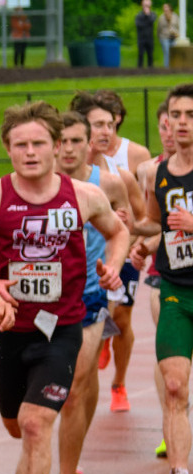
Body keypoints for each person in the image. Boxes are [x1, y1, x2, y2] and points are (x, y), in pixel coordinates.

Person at [0, 101, 129, 474]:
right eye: (21, 145)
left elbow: (118, 233)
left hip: (63, 330)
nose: (30, 152)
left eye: (39, 143)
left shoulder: (83, 196)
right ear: (8, 150)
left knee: (37, 425)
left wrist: (113, 267)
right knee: (15, 425)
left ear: (57, 147)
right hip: (9, 329)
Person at [49, 111, 130, 474]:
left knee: (75, 388)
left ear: (90, 145)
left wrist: (117, 261)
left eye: (76, 142)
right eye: (60, 141)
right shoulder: (37, 187)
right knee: (62, 393)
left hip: (90, 297)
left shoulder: (107, 184)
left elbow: (126, 223)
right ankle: (72, 442)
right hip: (44, 302)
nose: (67, 149)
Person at [129, 83, 193, 474]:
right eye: (176, 114)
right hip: (175, 289)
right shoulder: (159, 172)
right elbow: (154, 224)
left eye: (190, 113)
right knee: (174, 387)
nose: (182, 122)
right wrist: (134, 233)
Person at [75, 90, 150, 413]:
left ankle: (118, 382)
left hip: (119, 254)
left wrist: (127, 230)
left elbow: (143, 217)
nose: (105, 131)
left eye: (110, 124)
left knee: (121, 316)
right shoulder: (64, 173)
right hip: (81, 262)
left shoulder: (123, 171)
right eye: (97, 125)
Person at [139, 0, 158, 68]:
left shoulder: (152, 14)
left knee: (150, 55)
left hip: (150, 38)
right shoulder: (139, 15)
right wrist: (146, 20)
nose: (146, 7)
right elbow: (139, 25)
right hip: (141, 38)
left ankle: (150, 70)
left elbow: (152, 21)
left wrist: (147, 15)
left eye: (147, 6)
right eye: (145, 5)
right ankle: (139, 69)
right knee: (141, 54)